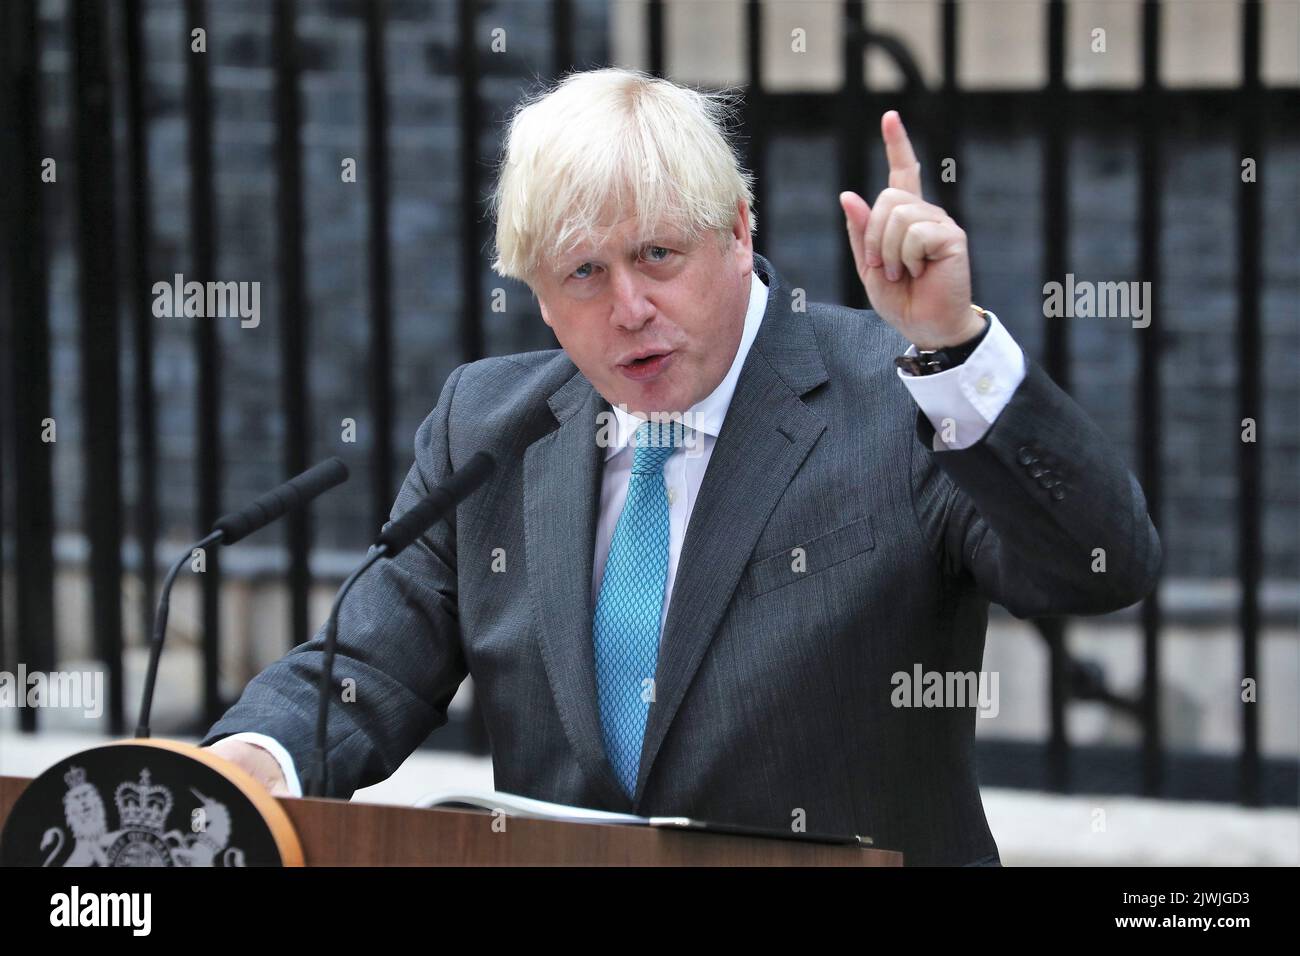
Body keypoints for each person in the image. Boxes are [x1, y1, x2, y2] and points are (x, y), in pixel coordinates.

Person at [204, 68, 1160, 866]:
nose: (628, 307)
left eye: (658, 255)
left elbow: (1101, 566)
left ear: (740, 232)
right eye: (582, 273)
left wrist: (955, 348)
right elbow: (368, 662)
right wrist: (251, 765)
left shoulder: (902, 392)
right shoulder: (486, 426)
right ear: (538, 297)